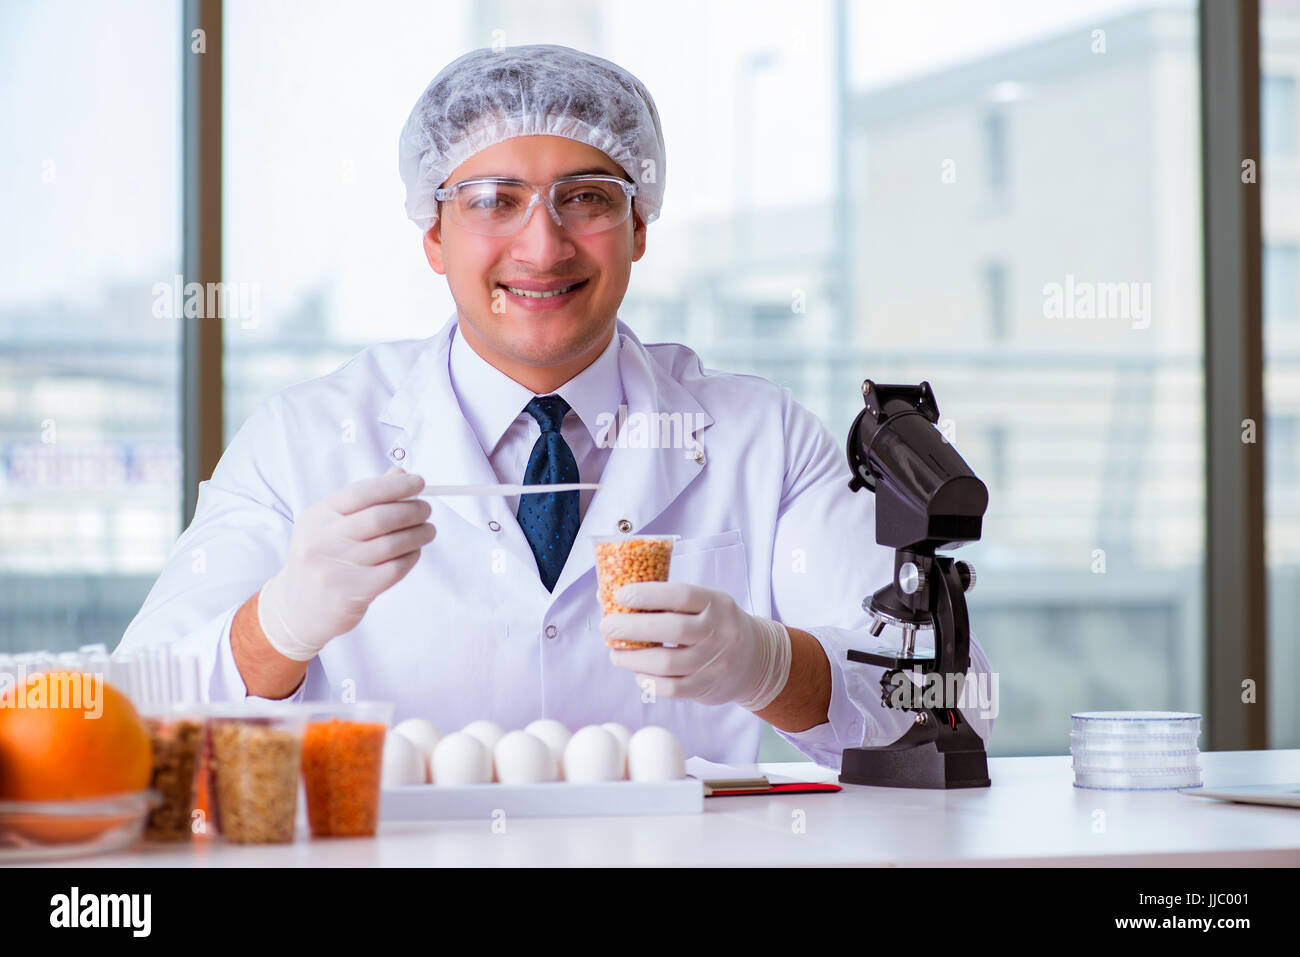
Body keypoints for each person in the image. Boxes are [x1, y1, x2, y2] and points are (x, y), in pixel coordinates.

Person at [117, 43, 995, 768]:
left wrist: (772, 663)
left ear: (641, 225)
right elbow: (128, 722)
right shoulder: (302, 441)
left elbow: (955, 703)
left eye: (586, 197)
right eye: (494, 200)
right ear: (432, 234)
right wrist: (274, 627)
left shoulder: (764, 440)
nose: (542, 244)